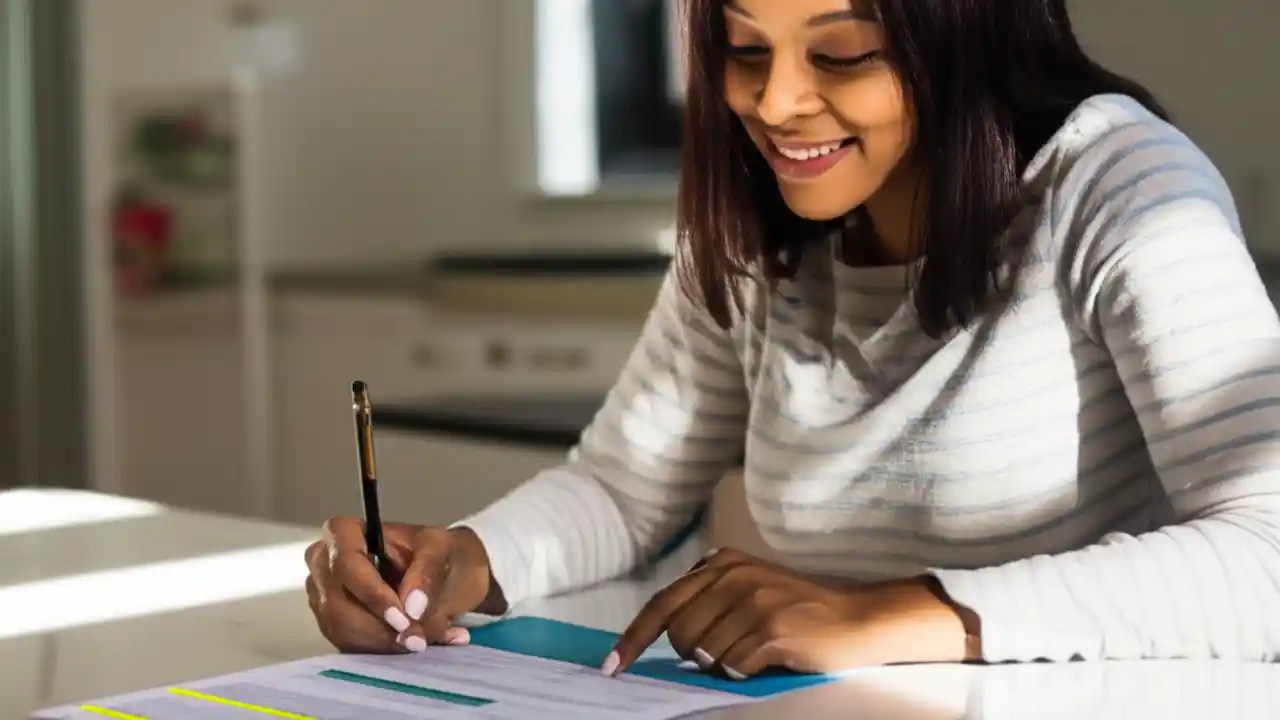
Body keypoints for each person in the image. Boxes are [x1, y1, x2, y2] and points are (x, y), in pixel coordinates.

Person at [305, 0, 1280, 679]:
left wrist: (891, 613)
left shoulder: (1121, 185)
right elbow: (621, 488)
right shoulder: (752, 223)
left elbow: (1265, 554)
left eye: (841, 53)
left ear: (964, 36)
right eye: (742, 48)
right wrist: (464, 561)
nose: (774, 104)